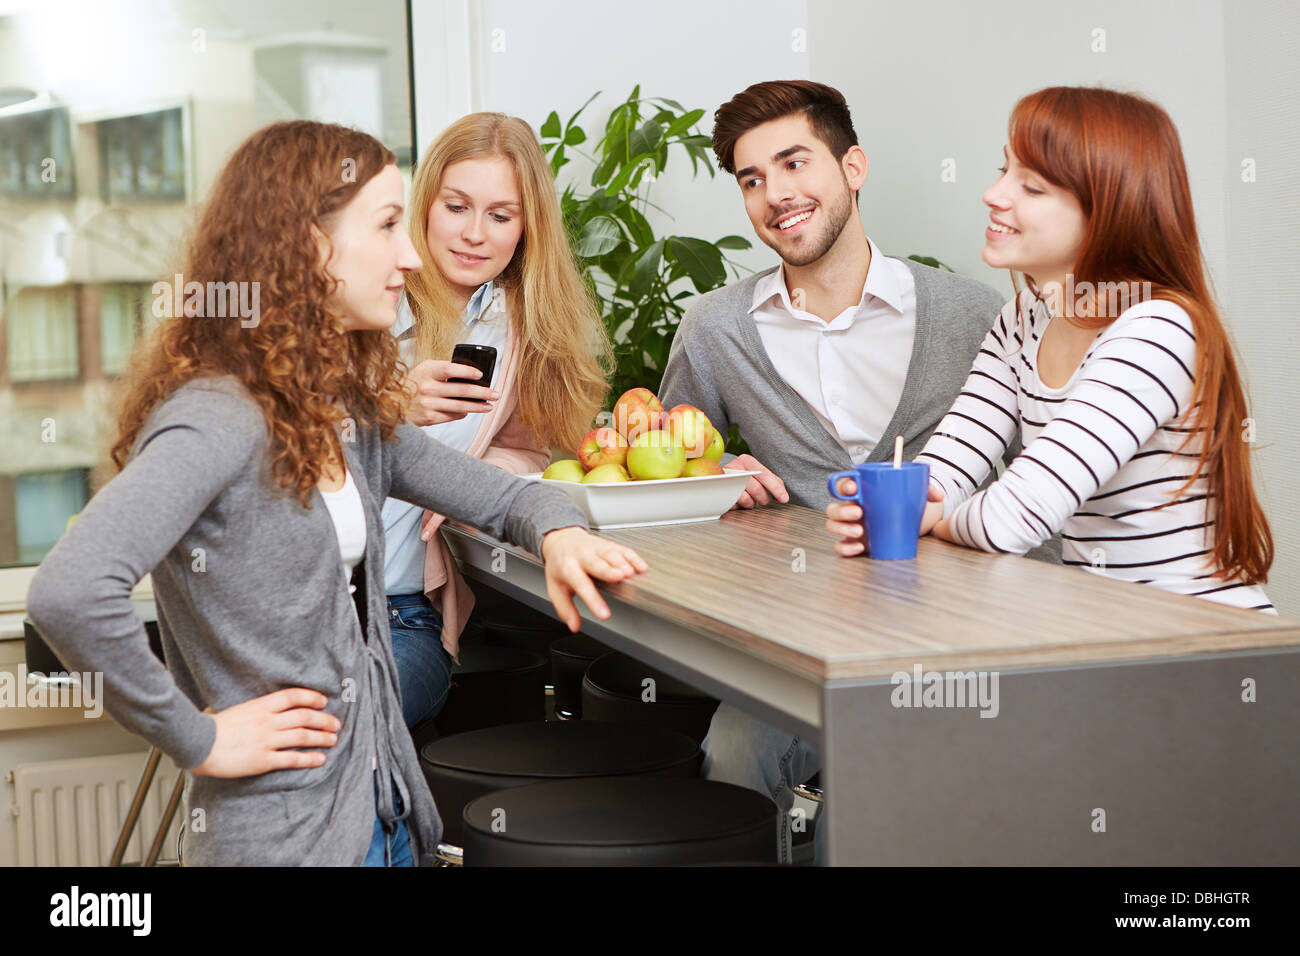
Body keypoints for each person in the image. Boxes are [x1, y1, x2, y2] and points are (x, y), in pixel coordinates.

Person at [26, 120, 647, 867]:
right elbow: (67, 591)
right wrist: (202, 738)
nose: (413, 254)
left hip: (380, 812)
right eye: (388, 225)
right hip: (288, 839)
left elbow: (499, 495)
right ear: (309, 247)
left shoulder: (343, 413)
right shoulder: (219, 415)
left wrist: (561, 533)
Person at [656, 80, 1030, 864]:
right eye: (751, 179)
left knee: (871, 799)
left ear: (852, 166)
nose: (775, 195)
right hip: (796, 642)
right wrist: (722, 472)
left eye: (794, 163)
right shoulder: (717, 329)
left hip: (947, 643)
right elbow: (669, 473)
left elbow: (1034, 484)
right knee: (731, 759)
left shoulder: (971, 314)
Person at [826, 86, 1274, 615]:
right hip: (1103, 633)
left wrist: (930, 519)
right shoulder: (1022, 319)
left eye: (1032, 187)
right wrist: (893, 508)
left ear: (1109, 211)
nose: (995, 194)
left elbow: (1013, 519)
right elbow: (947, 467)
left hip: (1200, 642)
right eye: (1004, 170)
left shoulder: (1157, 329)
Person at [381, 113, 613, 729]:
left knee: (344, 725)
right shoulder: (369, 300)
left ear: (526, 228)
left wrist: (476, 471)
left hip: (402, 613)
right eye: (457, 206)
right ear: (425, 204)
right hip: (304, 607)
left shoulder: (523, 325)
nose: (474, 235)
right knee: (299, 732)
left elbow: (546, 452)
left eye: (501, 216)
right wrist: (387, 405)